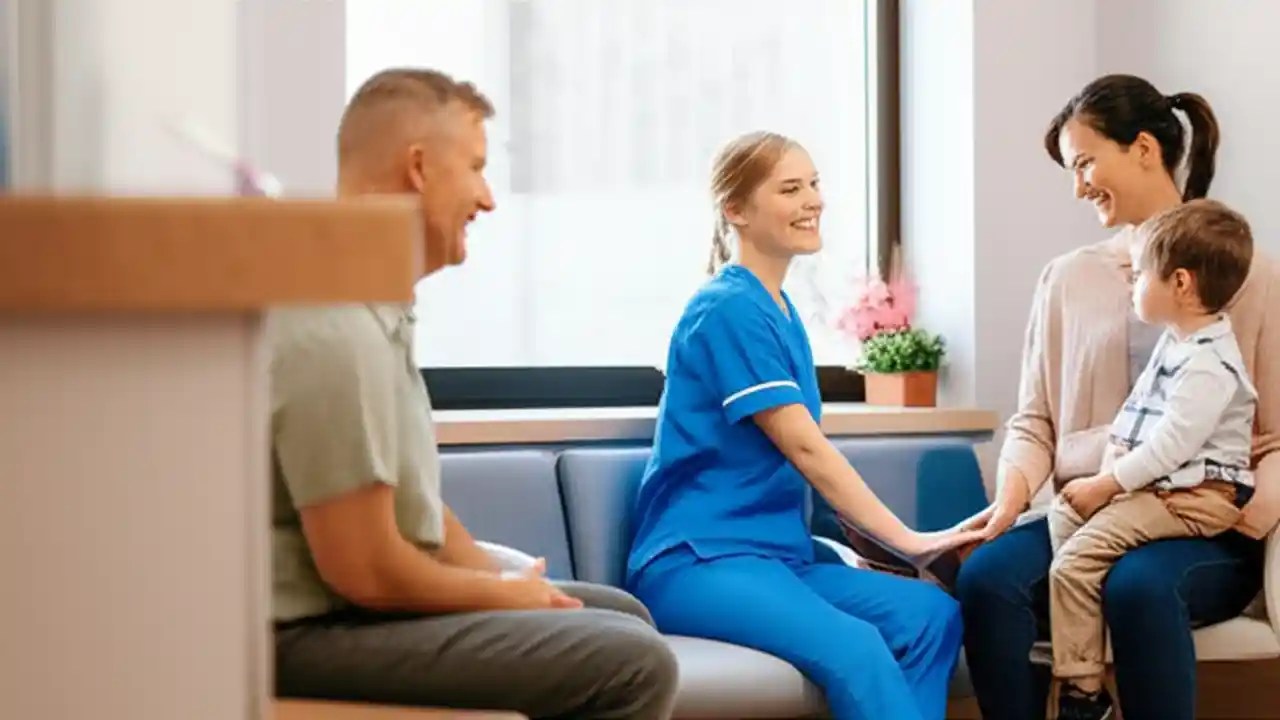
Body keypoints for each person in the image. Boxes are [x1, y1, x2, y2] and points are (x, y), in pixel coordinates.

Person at [270, 68, 678, 719]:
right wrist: (503, 597)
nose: (488, 199)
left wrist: (500, 578)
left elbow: (418, 512)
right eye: (477, 168)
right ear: (419, 167)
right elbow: (364, 571)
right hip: (304, 634)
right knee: (632, 666)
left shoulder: (376, 314)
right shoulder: (335, 328)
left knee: (622, 613)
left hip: (349, 614)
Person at [625, 130, 982, 720]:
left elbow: (779, 471)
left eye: (815, 184)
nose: (814, 200)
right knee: (858, 647)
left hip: (777, 560)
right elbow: (805, 450)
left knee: (930, 617)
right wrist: (911, 543)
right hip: (699, 562)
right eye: (791, 188)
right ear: (736, 210)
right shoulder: (727, 308)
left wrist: (845, 550)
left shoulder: (781, 311)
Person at [955, 74, 1280, 720]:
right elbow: (1035, 421)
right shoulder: (1067, 278)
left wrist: (1249, 515)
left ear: (1143, 149)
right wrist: (1009, 503)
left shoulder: (1251, 274)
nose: (1078, 187)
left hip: (1198, 520)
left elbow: (1274, 434)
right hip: (1089, 507)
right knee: (986, 578)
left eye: (1083, 164)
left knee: (1138, 587)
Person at [1045, 199, 1257, 720]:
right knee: (1063, 516)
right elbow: (1138, 418)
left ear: (1180, 283)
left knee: (1072, 564)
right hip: (1158, 486)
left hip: (1193, 498)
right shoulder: (1178, 343)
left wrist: (1106, 484)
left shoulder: (1208, 365)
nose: (1131, 284)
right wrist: (1108, 467)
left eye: (1140, 274)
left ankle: (1082, 692)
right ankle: (1084, 631)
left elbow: (1170, 448)